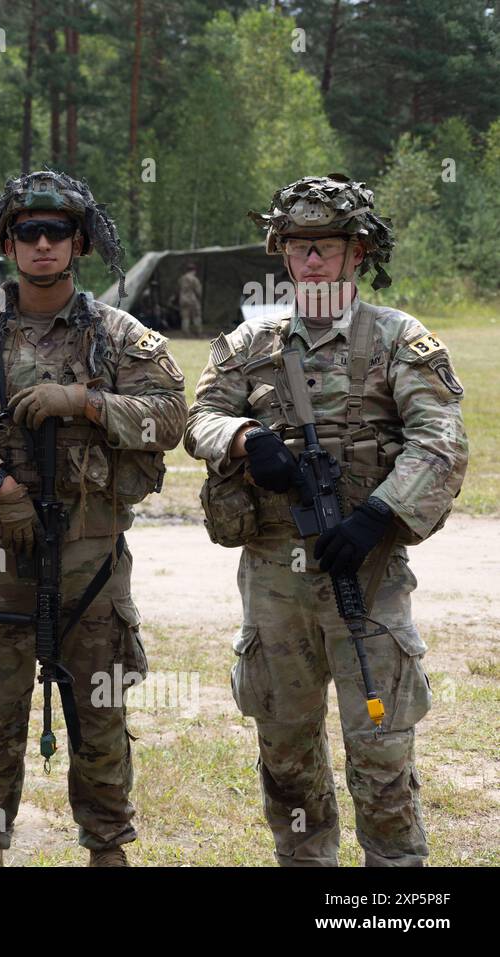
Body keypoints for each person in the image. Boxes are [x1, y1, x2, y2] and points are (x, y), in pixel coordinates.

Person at [185, 174, 468, 866]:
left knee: (381, 750)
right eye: (299, 245)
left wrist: (376, 515)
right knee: (285, 751)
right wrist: (246, 439)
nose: (311, 260)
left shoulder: (399, 339)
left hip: (365, 571)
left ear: (357, 251)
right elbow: (200, 417)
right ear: (283, 252)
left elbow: (441, 441)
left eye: (327, 246)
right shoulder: (251, 341)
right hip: (275, 575)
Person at [0, 171, 188, 866]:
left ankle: (107, 844)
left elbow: (171, 416)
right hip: (1, 554)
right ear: (6, 242)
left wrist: (86, 403)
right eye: (27, 231)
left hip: (93, 558)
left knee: (102, 712)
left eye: (55, 232)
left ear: (78, 243)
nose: (41, 244)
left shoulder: (120, 337)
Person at [177, 261, 203, 334]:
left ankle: (186, 331)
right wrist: (199, 297)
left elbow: (179, 289)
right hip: (192, 299)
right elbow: (198, 291)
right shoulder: (194, 279)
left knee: (185, 316)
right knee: (196, 315)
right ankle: (198, 331)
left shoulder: (181, 278)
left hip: (183, 299)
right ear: (194, 270)